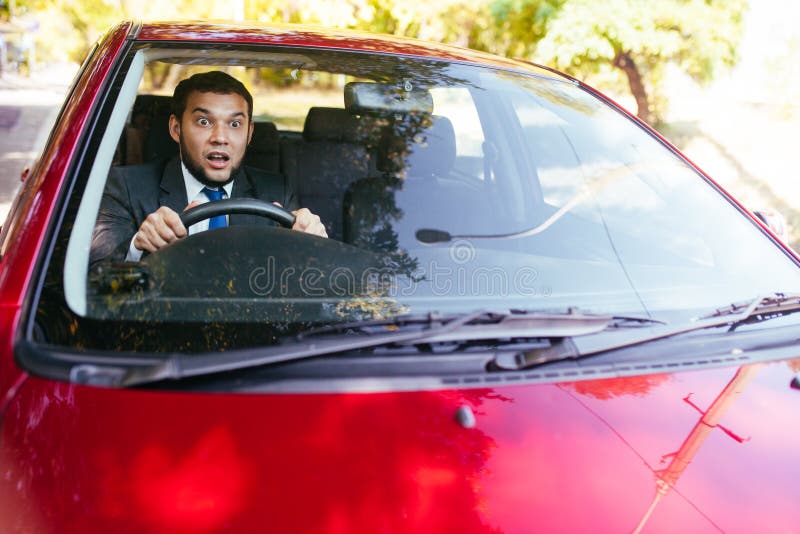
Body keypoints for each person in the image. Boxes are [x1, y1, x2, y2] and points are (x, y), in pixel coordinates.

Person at [90, 71, 327, 267]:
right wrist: (136, 247)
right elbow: (95, 278)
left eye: (235, 124)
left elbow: (301, 282)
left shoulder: (277, 191)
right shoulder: (125, 187)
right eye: (204, 122)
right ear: (176, 128)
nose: (220, 137)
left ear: (249, 133)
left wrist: (315, 247)